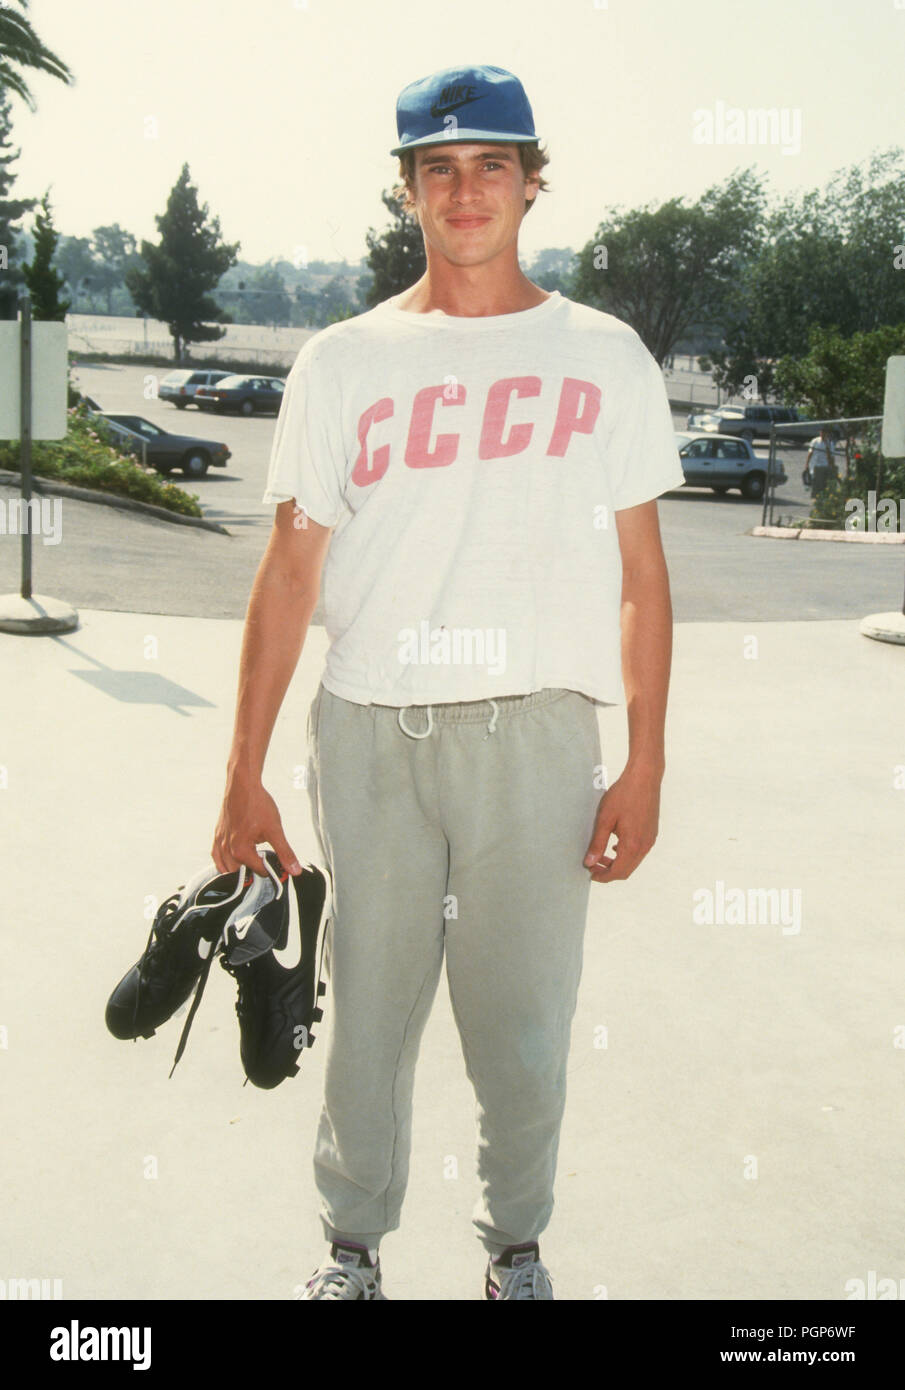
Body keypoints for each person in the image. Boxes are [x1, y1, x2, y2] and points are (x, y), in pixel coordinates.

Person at [211, 63, 685, 1301]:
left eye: (490, 166)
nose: (464, 190)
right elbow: (288, 573)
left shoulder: (605, 354)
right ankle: (351, 1248)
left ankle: (514, 1247)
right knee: (367, 1020)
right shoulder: (343, 360)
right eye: (439, 169)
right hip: (371, 735)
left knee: (520, 1030)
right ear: (408, 192)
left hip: (535, 738)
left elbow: (641, 572)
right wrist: (240, 772)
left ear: (531, 182)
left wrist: (642, 757)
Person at [805, 427, 837, 498]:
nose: (823, 434)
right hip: (815, 465)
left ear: (827, 434)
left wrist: (833, 466)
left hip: (825, 465)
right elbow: (810, 453)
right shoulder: (815, 441)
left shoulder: (830, 443)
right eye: (822, 432)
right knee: (815, 482)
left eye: (825, 432)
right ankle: (815, 496)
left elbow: (831, 457)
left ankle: (822, 497)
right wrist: (807, 464)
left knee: (823, 483)